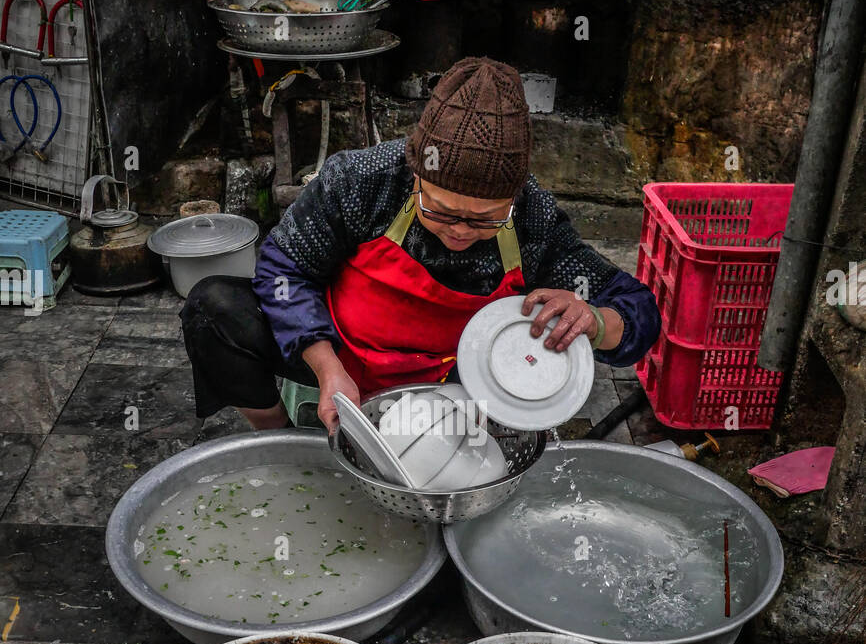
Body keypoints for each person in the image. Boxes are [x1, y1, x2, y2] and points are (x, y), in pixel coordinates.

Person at [181, 57, 660, 432]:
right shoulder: (362, 180)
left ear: (511, 199)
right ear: (416, 177)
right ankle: (278, 437)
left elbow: (639, 310)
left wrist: (596, 320)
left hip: (453, 381)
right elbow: (283, 271)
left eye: (485, 220)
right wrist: (327, 368)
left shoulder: (532, 215)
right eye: (440, 211)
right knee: (212, 307)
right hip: (340, 352)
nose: (459, 231)